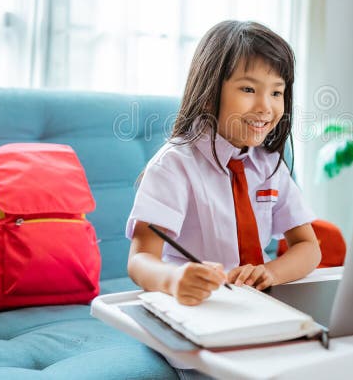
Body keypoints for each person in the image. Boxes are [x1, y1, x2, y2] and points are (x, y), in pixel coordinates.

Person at [126, 20, 321, 307]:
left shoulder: (269, 165)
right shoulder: (174, 165)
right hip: (194, 304)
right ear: (208, 94)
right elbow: (140, 259)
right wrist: (174, 280)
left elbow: (308, 247)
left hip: (256, 304)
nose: (266, 107)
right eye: (248, 89)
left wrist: (270, 273)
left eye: (276, 93)